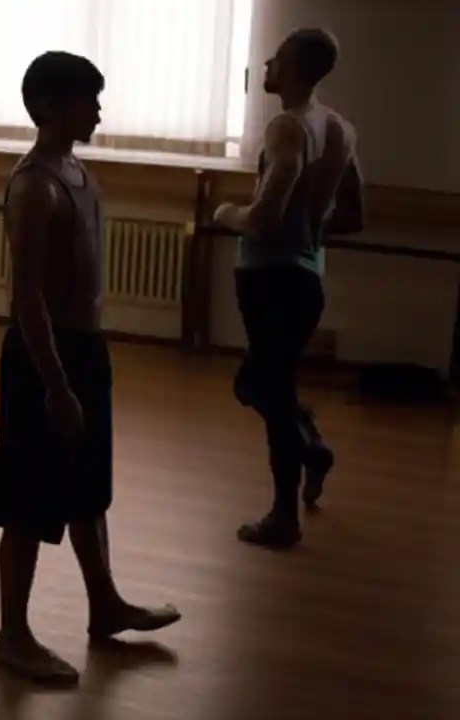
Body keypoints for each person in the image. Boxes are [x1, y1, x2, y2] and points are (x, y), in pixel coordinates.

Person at [0, 52, 181, 685]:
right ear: (48, 107)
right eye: (87, 101)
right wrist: (55, 384)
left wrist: (81, 372)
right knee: (26, 501)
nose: (98, 110)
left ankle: (105, 604)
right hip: (44, 358)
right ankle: (12, 636)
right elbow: (28, 299)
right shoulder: (34, 185)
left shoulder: (78, 173)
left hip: (85, 351)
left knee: (88, 486)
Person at [214, 28, 363, 549]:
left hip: (270, 281)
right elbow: (353, 215)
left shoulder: (287, 126)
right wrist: (311, 230)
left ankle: (283, 515)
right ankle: (312, 448)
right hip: (306, 280)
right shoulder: (340, 130)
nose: (267, 68)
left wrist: (226, 212)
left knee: (268, 394)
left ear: (294, 68)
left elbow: (264, 218)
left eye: (276, 60)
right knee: (260, 384)